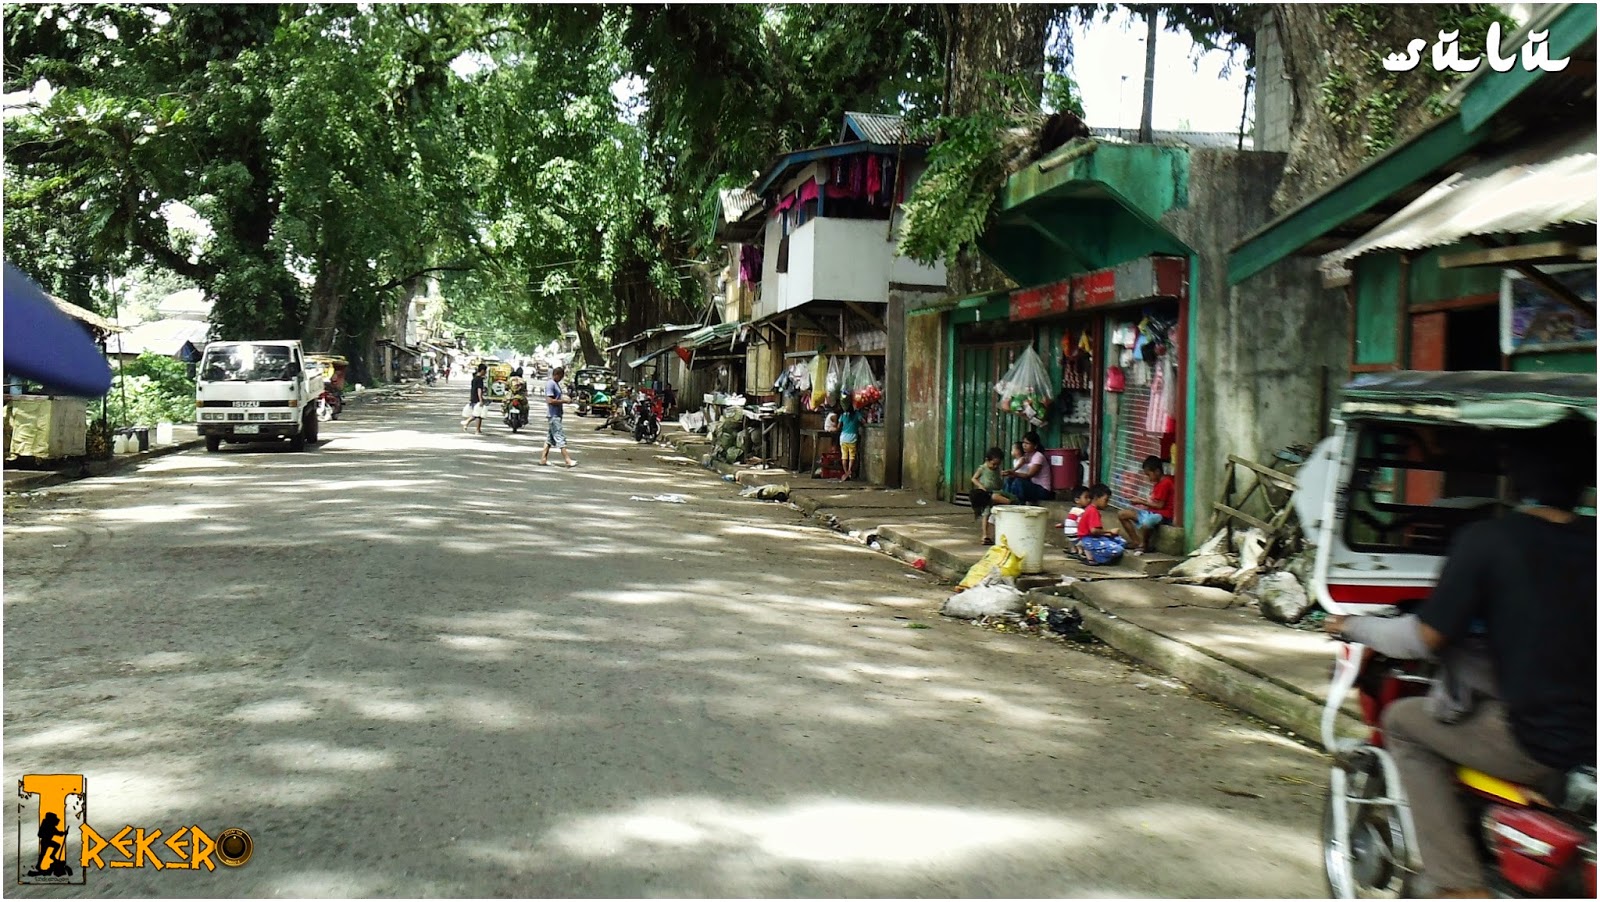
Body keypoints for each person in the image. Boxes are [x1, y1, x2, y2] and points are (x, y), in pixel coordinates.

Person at [1323, 421, 1596, 898]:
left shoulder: (1490, 541)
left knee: (1403, 721)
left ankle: (1459, 885)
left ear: (1514, 477)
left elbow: (1423, 639)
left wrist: (1352, 626)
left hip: (1538, 745)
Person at [1118, 455, 1176, 554]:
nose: (1149, 478)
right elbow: (1154, 501)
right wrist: (1140, 500)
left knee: (1146, 524)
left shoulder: (1166, 483)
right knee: (1122, 514)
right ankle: (1136, 542)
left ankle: (1145, 545)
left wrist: (1141, 501)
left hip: (1162, 515)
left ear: (1157, 472)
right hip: (1151, 512)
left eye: (1149, 475)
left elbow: (1160, 506)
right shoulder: (1159, 483)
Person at [969, 447, 1014, 545]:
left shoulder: (997, 469)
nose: (995, 466)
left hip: (997, 492)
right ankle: (985, 535)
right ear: (987, 460)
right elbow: (974, 478)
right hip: (987, 494)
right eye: (993, 464)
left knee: (998, 513)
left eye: (998, 464)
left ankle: (996, 535)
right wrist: (981, 486)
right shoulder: (983, 468)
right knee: (986, 514)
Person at [1074, 483, 1126, 563]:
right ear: (1096, 498)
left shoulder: (1091, 509)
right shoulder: (1092, 511)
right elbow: (1094, 531)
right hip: (1089, 539)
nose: (1107, 503)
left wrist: (1106, 534)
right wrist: (1109, 531)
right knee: (1118, 549)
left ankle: (1095, 552)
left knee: (1122, 542)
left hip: (1093, 537)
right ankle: (1094, 555)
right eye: (1106, 500)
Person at [539, 365, 576, 467]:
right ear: (556, 375)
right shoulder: (551, 384)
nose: (561, 378)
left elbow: (557, 397)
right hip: (553, 415)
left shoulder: (555, 384)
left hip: (557, 414)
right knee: (559, 436)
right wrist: (563, 401)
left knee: (549, 439)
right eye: (561, 376)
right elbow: (550, 400)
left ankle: (543, 459)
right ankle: (567, 460)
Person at [1002, 432, 1053, 504]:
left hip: (1042, 490)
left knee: (1018, 482)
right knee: (1009, 480)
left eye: (1027, 443)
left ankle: (1018, 504)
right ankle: (1006, 501)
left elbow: (1029, 475)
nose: (1024, 445)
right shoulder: (1026, 455)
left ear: (1035, 446)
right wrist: (1011, 472)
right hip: (1032, 486)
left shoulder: (1038, 456)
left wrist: (1014, 473)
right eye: (1023, 443)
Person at [838, 397, 862, 482]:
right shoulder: (857, 414)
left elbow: (838, 427)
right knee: (852, 455)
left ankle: (846, 472)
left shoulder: (843, 415)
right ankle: (849, 471)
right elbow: (863, 421)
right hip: (852, 437)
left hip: (843, 437)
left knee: (844, 456)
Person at [462, 363, 487, 434]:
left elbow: (473, 389)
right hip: (477, 398)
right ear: (482, 370)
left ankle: (478, 429)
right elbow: (479, 390)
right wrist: (481, 400)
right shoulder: (479, 380)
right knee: (478, 414)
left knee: (478, 414)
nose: (485, 372)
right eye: (485, 371)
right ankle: (468, 423)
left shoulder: (474, 378)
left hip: (473, 397)